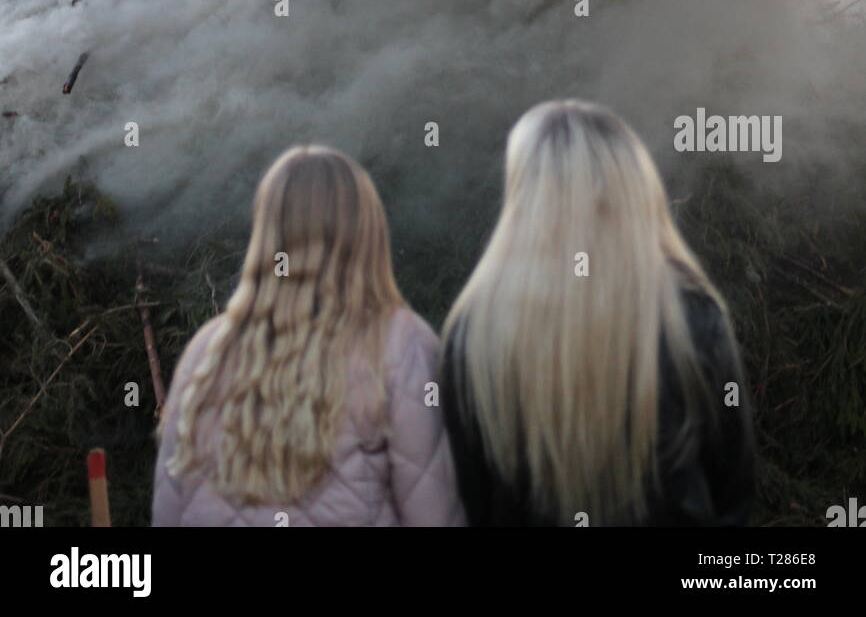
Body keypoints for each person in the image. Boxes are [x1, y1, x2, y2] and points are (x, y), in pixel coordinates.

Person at [440, 99, 755, 527]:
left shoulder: (474, 331)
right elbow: (732, 490)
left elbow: (471, 500)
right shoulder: (691, 317)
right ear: (635, 190)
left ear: (523, 196)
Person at [153, 145, 464, 526]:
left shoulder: (207, 349)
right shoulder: (401, 343)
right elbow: (431, 514)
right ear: (366, 230)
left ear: (267, 232)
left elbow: (168, 511)